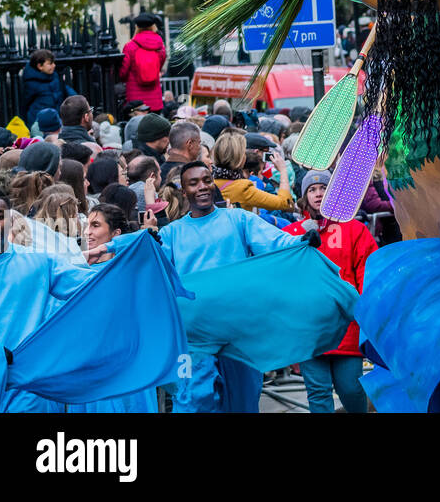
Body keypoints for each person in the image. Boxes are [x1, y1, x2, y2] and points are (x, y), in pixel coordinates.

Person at [159, 161, 304, 413]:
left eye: (206, 180)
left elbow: (277, 243)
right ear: (184, 192)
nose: (202, 187)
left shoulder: (239, 218)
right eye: (194, 183)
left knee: (244, 402)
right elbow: (157, 276)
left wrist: (304, 241)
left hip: (239, 331)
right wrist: (146, 250)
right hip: (195, 336)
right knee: (194, 400)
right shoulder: (171, 233)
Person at [0, 185, 97, 411]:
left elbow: (95, 288)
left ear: (10, 219)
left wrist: (134, 254)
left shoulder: (39, 262)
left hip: (29, 388)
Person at [282, 170, 377, 413]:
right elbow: (282, 281)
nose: (318, 193)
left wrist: (363, 312)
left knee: (351, 389)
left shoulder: (355, 229)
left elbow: (368, 273)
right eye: (312, 190)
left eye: (323, 188)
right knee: (318, 392)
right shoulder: (290, 235)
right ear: (304, 197)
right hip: (309, 329)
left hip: (346, 327)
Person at [211, 130, 295, 214]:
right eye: (243, 153)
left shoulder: (208, 181)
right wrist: (283, 170)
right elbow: (286, 204)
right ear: (239, 158)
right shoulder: (243, 188)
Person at [120, 13, 167, 114]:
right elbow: (160, 65)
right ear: (153, 26)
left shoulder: (130, 46)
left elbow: (123, 72)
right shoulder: (160, 46)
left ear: (136, 27)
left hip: (136, 101)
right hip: (155, 98)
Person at [21, 50, 78, 126]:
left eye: (53, 63)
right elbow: (26, 103)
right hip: (39, 122)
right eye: (50, 63)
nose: (54, 65)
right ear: (40, 66)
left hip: (57, 118)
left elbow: (65, 89)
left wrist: (76, 99)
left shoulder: (55, 76)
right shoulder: (31, 83)